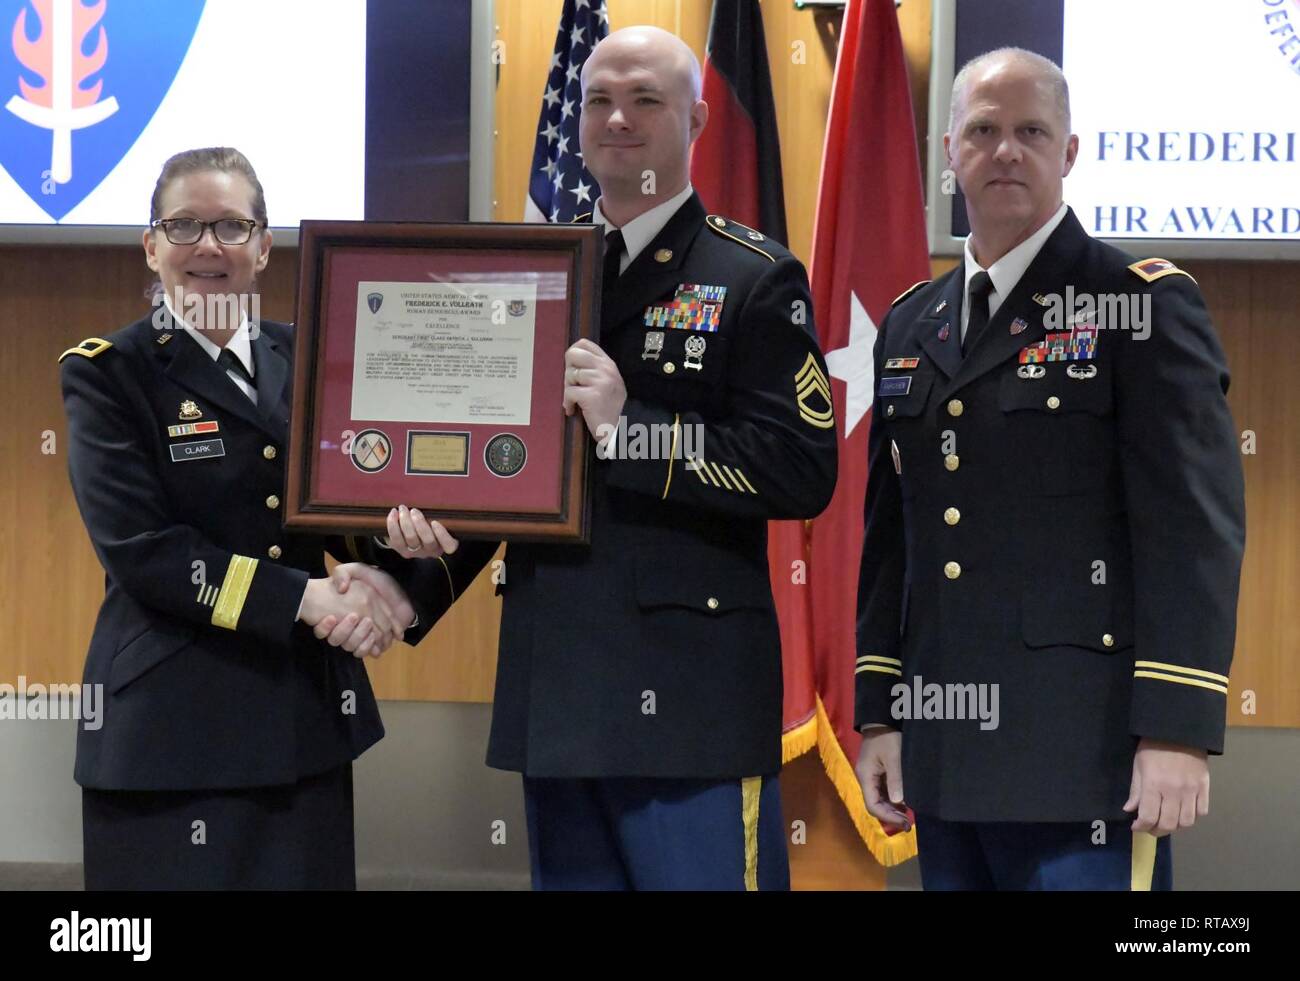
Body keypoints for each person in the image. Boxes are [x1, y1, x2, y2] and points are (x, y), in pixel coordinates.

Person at [367, 26, 838, 890]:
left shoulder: (751, 276)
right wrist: (408, 577)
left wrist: (633, 430)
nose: (617, 118)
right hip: (558, 694)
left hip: (688, 704)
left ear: (695, 119)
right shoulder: (534, 272)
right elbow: (509, 472)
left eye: (645, 100)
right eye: (599, 100)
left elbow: (802, 467)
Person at [852, 49, 1246, 890]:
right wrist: (881, 713)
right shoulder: (909, 323)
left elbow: (1193, 530)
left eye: (1032, 131)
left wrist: (1177, 728)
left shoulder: (1137, 303)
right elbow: (895, 540)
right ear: (949, 148)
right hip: (947, 755)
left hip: (1088, 760)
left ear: (1069, 153)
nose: (1006, 151)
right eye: (985, 131)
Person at [60, 147, 422, 890]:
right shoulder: (108, 373)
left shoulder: (317, 357)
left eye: (231, 226)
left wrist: (385, 574)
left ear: (263, 245)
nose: (207, 247)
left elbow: (356, 501)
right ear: (151, 246)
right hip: (168, 730)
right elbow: (144, 551)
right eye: (184, 225)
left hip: (301, 721)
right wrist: (306, 598)